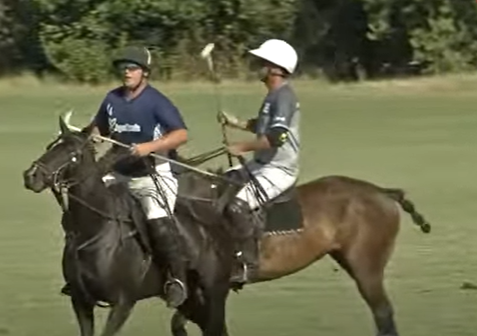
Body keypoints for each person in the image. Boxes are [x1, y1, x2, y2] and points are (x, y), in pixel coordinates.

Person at [62, 45, 191, 308]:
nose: (126, 71)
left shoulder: (157, 101)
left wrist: (148, 147)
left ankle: (176, 279)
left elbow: (181, 134)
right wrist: (89, 134)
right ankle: (83, 272)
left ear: (144, 72)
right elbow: (99, 126)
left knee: (157, 222)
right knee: (83, 209)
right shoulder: (112, 99)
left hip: (153, 173)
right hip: (119, 171)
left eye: (132, 67)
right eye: (123, 67)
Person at [217, 39, 301, 283]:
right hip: (262, 163)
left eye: (263, 62)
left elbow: (276, 136)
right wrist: (237, 123)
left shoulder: (283, 96)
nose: (258, 65)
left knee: (237, 206)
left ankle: (247, 263)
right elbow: (264, 126)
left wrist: (241, 146)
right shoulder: (273, 95)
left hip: (279, 169)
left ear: (276, 68)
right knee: (219, 185)